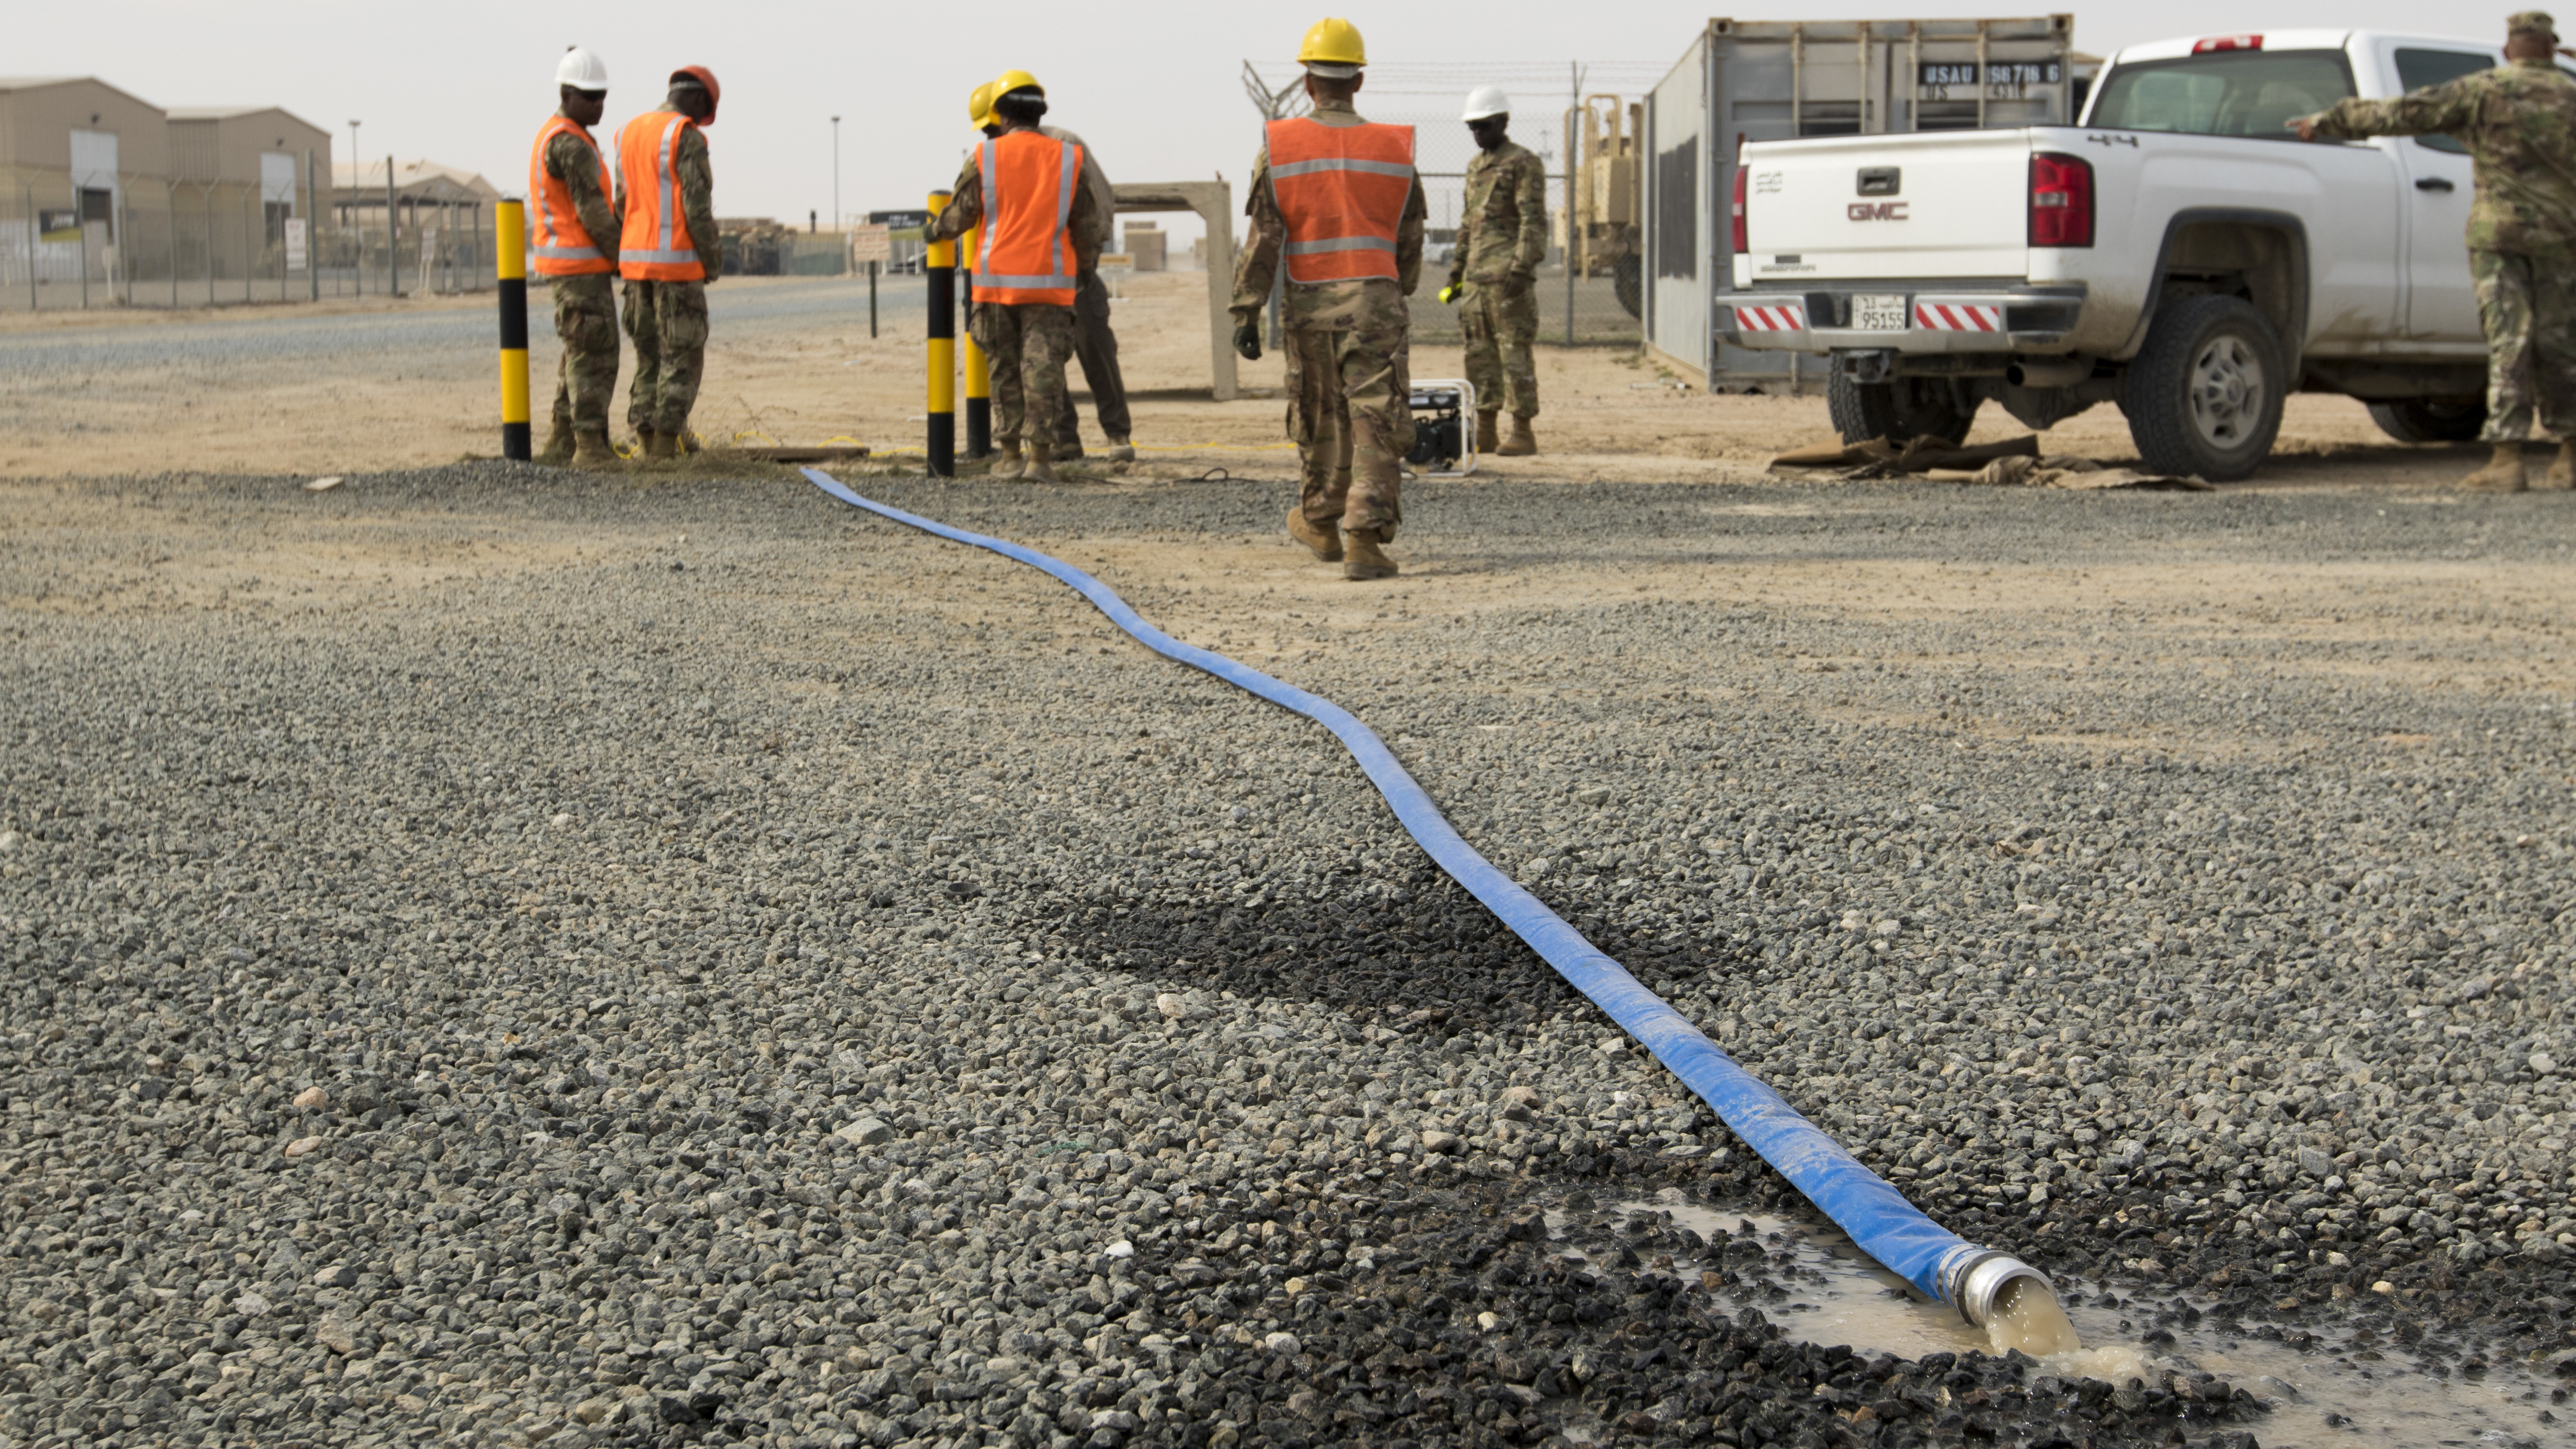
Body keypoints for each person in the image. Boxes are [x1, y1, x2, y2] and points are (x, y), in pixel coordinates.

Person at [2295, 11, 2576, 492]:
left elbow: (2400, 113)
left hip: (2498, 236)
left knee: (2510, 339)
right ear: (2551, 47)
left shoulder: (2480, 90)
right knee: (2559, 342)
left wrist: (2328, 121)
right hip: (2561, 239)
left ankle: (2507, 460)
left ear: (2508, 49)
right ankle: (2569, 457)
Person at [1232, 17, 1428, 580]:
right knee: (1376, 416)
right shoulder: (1395, 149)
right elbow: (1409, 238)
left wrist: (1246, 310)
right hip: (1376, 303)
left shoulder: (1280, 144)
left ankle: (1319, 521)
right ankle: (1363, 539)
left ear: (1308, 83)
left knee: (1320, 414)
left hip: (1309, 305)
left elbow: (1263, 239)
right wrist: (1397, 287)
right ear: (1358, 82)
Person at [928, 71, 1104, 483]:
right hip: (1050, 287)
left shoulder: (985, 157)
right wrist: (1083, 274)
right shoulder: (1067, 159)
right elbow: (1089, 227)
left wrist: (933, 230)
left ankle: (1007, 457)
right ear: (1039, 114)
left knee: (1003, 369)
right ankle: (1040, 459)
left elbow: (960, 216)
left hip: (996, 286)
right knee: (1042, 372)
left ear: (1001, 116)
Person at [969, 82, 1134, 465]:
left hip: (1072, 272)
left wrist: (1085, 264)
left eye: (989, 127)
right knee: (1042, 363)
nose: (989, 135)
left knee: (1096, 352)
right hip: (1031, 279)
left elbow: (1096, 205)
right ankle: (1064, 441)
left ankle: (1117, 435)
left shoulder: (1064, 145)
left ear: (1004, 116)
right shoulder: (999, 156)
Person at [615, 66, 723, 460]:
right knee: (682, 360)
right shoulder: (685, 137)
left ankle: (645, 445)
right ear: (697, 100)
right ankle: (664, 450)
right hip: (676, 269)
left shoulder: (628, 133)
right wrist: (711, 261)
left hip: (634, 270)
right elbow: (697, 208)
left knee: (648, 360)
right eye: (703, 111)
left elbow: (621, 204)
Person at [529, 47, 622, 469]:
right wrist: (625, 259)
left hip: (570, 268)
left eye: (602, 96)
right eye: (590, 96)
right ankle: (590, 448)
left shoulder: (559, 135)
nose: (598, 104)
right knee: (594, 355)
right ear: (567, 94)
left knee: (577, 352)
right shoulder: (572, 145)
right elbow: (595, 215)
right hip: (580, 269)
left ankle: (562, 441)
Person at [1442, 85, 1547, 456]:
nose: (1478, 133)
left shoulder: (1522, 162)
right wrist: (1456, 272)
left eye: (1484, 125)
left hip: (1506, 278)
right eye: (1472, 127)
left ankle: (1522, 431)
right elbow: (1468, 224)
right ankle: (1485, 429)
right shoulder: (1476, 167)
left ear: (1503, 121)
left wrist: (1520, 270)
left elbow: (1532, 221)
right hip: (1475, 280)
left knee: (1513, 353)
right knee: (1479, 355)